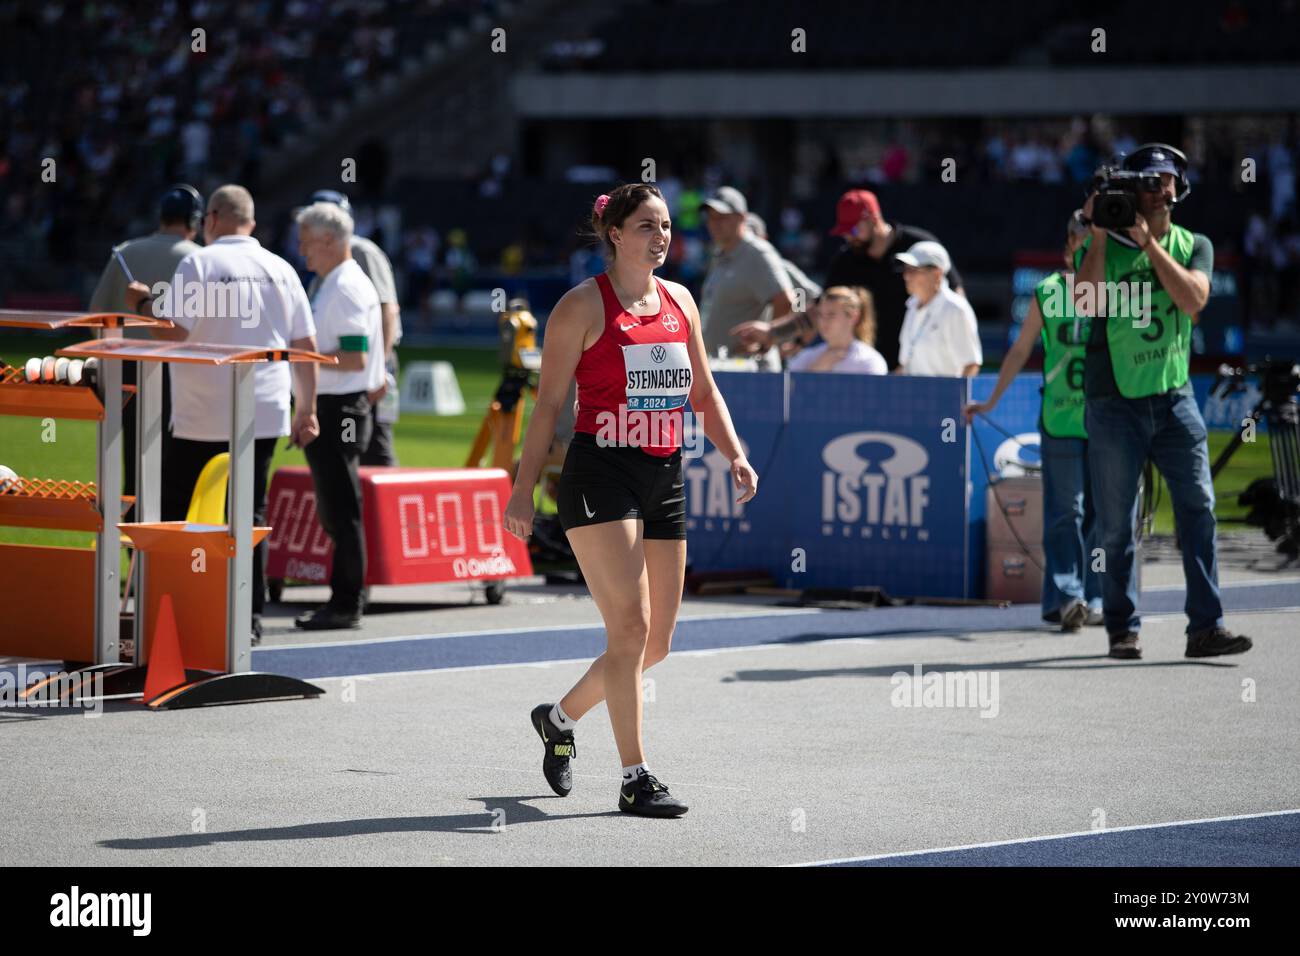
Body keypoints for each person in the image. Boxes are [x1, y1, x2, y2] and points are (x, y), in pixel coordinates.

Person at [502, 183, 758, 818]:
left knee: (655, 644)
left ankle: (558, 719)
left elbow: (703, 392)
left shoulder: (681, 301)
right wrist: (523, 489)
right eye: (648, 225)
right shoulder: (580, 307)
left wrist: (736, 454)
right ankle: (634, 777)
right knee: (629, 627)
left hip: (662, 474)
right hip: (600, 476)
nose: (662, 236)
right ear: (615, 234)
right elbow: (550, 408)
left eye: (667, 225)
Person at [1074, 143, 1252, 660]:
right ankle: (1122, 627)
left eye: (1170, 180)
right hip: (1113, 402)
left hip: (1174, 398)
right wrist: (1103, 234)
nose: (1163, 189)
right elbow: (1084, 302)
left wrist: (1150, 246)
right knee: (1115, 523)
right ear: (1130, 189)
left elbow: (1194, 302)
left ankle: (1206, 627)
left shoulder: (1193, 244)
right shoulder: (1100, 245)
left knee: (1198, 509)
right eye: (1151, 182)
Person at [126, 184, 320, 645]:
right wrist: (307, 409)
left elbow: (173, 333)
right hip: (263, 410)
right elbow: (306, 347)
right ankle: (247, 619)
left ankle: (171, 610)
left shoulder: (200, 262)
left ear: (211, 218)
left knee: (177, 512)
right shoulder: (281, 268)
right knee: (248, 514)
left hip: (200, 412)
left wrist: (141, 304)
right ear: (250, 222)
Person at [964, 211, 1103, 631]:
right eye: (1080, 237)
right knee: (1066, 512)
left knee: (1103, 514)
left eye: (1094, 238)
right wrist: (990, 400)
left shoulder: (1116, 292)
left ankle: (1096, 596)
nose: (1087, 244)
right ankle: (1068, 596)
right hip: (1061, 415)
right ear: (1068, 248)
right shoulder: (1049, 291)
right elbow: (1021, 350)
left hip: (1107, 417)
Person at [731, 189, 964, 369]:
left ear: (874, 220)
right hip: (866, 369)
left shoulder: (918, 247)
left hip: (920, 372)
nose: (848, 237)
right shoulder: (847, 259)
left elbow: (954, 301)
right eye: (844, 232)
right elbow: (819, 310)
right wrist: (772, 333)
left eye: (853, 230)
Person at [294, 201, 384, 630]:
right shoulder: (338, 281)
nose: (302, 250)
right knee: (339, 509)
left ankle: (346, 602)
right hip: (342, 404)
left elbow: (351, 356)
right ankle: (347, 597)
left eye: (307, 241)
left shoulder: (344, 286)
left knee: (341, 509)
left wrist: (302, 356)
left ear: (329, 240)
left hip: (340, 406)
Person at [88, 184, 203, 513]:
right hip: (177, 374)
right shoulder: (198, 259)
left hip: (125, 369)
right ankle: (162, 542)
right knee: (174, 463)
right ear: (194, 221)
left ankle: (130, 543)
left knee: (133, 458)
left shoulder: (125, 252)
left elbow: (97, 314)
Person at [304, 190, 402, 466]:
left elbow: (388, 309)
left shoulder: (360, 251)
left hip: (368, 366)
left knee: (375, 449)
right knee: (345, 452)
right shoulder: (328, 260)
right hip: (348, 368)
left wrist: (379, 368)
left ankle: (384, 507)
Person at [697, 186, 797, 369]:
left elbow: (787, 301)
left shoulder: (757, 252)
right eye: (711, 217)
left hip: (748, 369)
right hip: (722, 366)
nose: (714, 223)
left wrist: (765, 343)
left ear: (742, 217)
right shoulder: (719, 252)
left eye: (722, 217)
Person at [895, 240, 982, 377]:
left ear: (937, 274)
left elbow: (971, 365)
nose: (906, 276)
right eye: (906, 269)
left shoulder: (955, 309)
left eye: (913, 270)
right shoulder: (911, 306)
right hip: (913, 396)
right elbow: (905, 364)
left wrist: (954, 398)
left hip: (943, 397)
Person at [788, 286, 888, 374]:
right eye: (820, 315)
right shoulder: (806, 357)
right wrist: (816, 369)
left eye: (831, 315)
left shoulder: (869, 361)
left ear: (854, 317)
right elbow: (790, 393)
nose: (823, 321)